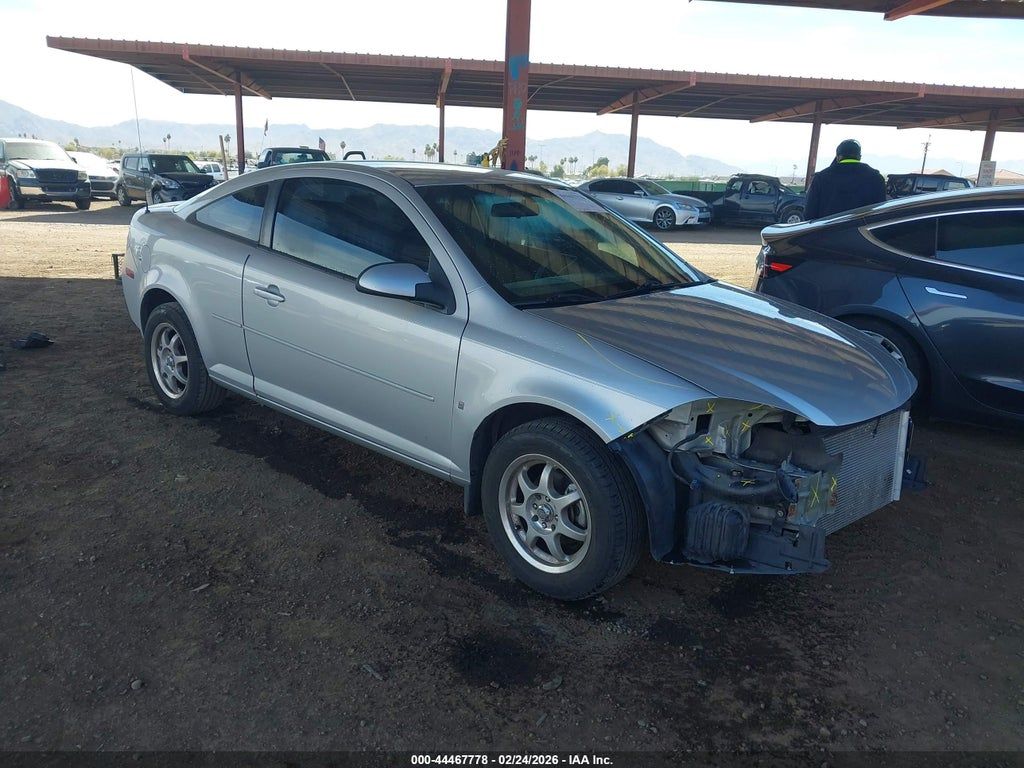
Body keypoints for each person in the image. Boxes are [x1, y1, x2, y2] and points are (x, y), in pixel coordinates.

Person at [804, 139, 886, 220]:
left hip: (828, 231)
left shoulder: (821, 178)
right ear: (859, 157)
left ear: (838, 157)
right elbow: (881, 212)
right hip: (863, 231)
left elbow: (809, 214)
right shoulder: (876, 178)